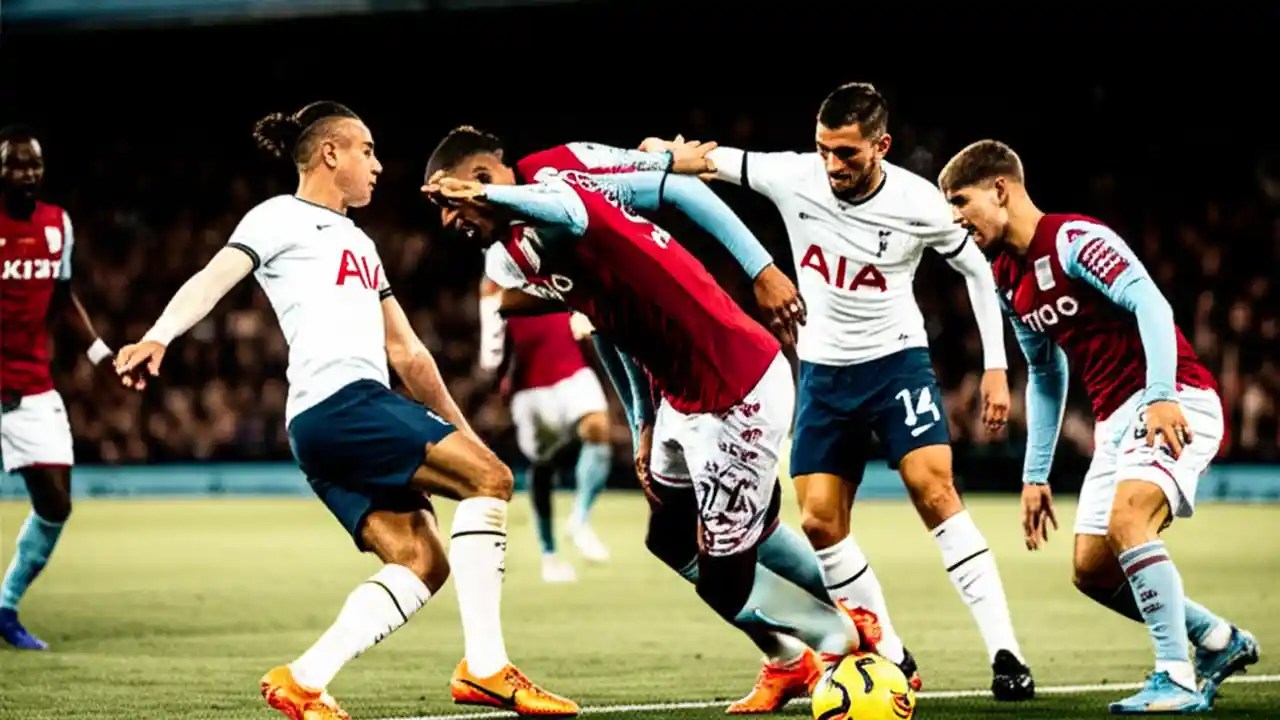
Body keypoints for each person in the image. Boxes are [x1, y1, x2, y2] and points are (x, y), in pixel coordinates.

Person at [113, 102, 577, 719]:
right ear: (331, 153)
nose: (379, 166)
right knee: (490, 483)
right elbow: (213, 275)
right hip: (345, 405)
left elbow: (408, 354)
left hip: (327, 425)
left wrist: (463, 435)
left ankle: (303, 679)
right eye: (368, 150)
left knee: (422, 561)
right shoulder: (280, 215)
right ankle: (486, 669)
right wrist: (160, 335)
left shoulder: (360, 242)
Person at [425, 129, 873, 714]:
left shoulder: (555, 182)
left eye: (450, 202)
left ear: (482, 181)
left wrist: (759, 267)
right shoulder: (517, 254)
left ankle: (851, 635)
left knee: (723, 582)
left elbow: (668, 192)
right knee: (667, 538)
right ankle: (790, 661)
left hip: (734, 385)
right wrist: (640, 421)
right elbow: (604, 318)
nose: (445, 221)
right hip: (679, 398)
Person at [650, 81, 1032, 699]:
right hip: (824, 373)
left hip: (896, 364)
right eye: (824, 149)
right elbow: (710, 162)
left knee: (933, 490)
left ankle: (1006, 653)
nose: (832, 165)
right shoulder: (793, 175)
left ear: (881, 146)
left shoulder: (919, 202)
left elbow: (976, 272)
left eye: (847, 153)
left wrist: (995, 366)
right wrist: (656, 156)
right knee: (820, 521)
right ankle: (891, 654)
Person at [938, 138, 1260, 714]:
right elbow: (1044, 370)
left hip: (1175, 398)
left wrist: (1161, 396)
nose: (955, 218)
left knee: (1130, 518)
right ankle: (1216, 639)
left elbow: (1152, 306)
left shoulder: (1073, 240)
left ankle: (1176, 678)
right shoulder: (1006, 277)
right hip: (1117, 420)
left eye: (960, 201)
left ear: (1000, 189)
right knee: (1092, 569)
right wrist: (1035, 474)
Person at [0, 124, 116, 650]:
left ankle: (5, 608)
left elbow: (63, 296)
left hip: (31, 387)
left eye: (33, 165)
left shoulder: (56, 225)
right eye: (15, 165)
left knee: (56, 505)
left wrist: (99, 352)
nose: (26, 174)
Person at [477, 277, 613, 582]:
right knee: (542, 467)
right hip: (530, 389)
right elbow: (492, 355)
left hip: (571, 369)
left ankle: (579, 520)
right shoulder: (493, 283)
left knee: (598, 427)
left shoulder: (546, 257)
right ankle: (549, 554)